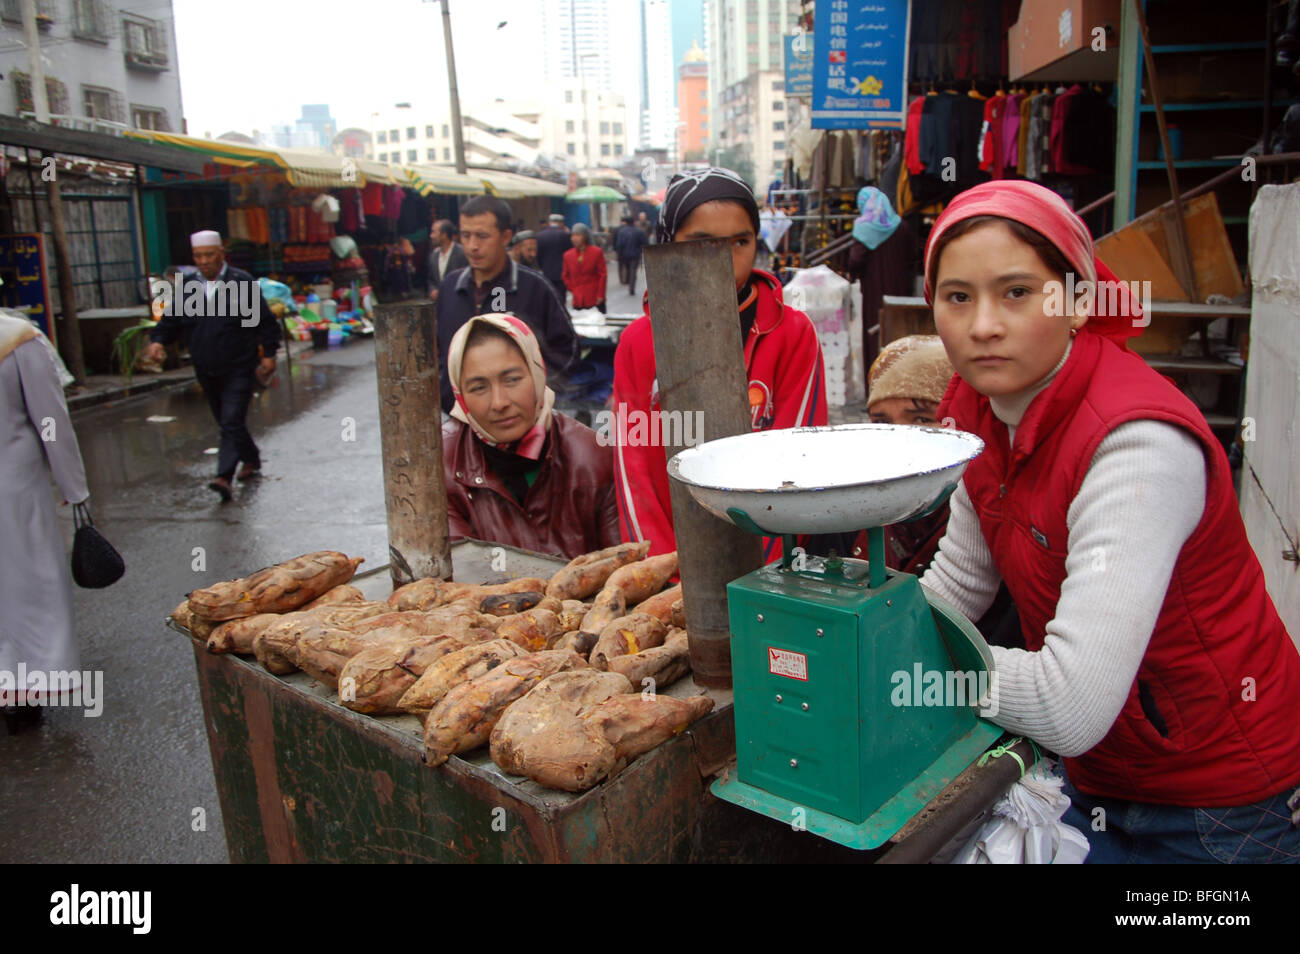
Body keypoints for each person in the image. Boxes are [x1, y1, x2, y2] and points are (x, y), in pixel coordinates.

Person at [918, 179, 1300, 863]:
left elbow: (1069, 703)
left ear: (1078, 302)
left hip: (1221, 801)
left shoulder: (1136, 445)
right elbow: (960, 580)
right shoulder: (979, 406)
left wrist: (905, 672)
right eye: (957, 297)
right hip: (1099, 774)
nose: (982, 326)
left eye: (1016, 292)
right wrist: (859, 629)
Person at [612, 167, 828, 559]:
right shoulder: (639, 342)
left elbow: (800, 461)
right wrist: (663, 574)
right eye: (702, 242)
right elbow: (634, 468)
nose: (724, 260)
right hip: (669, 564)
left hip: (770, 563)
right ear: (667, 244)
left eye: (739, 242)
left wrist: (765, 573)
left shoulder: (792, 333)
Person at [442, 313, 619, 559]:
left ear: (537, 373)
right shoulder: (441, 467)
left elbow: (623, 566)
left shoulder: (594, 457)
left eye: (512, 380)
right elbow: (455, 576)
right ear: (459, 393)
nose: (499, 402)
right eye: (479, 387)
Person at [0, 312, 89, 733]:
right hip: (14, 486)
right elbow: (50, 420)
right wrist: (74, 489)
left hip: (13, 484)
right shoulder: (18, 339)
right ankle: (24, 686)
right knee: (28, 585)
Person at [145, 230, 279, 501]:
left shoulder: (241, 282)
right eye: (198, 256)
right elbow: (171, 320)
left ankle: (223, 476)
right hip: (206, 367)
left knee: (230, 420)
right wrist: (158, 341)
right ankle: (251, 458)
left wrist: (270, 354)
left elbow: (265, 323)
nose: (204, 261)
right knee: (227, 421)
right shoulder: (189, 286)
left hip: (239, 365)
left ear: (221, 253)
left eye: (209, 255)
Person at [436, 196, 578, 414]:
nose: (473, 246)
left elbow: (567, 349)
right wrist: (446, 394)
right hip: (460, 418)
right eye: (466, 236)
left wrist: (535, 394)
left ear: (506, 236)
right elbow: (437, 350)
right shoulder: (450, 287)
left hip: (518, 418)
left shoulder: (534, 288)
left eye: (482, 236)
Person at [561, 223, 607, 313]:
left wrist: (600, 294)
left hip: (594, 298)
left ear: (585, 237)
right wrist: (574, 289)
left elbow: (602, 274)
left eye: (578, 235)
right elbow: (565, 276)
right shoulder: (567, 255)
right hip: (578, 300)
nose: (575, 238)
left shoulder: (596, 252)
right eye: (573, 235)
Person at [426, 219, 469, 302]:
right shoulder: (433, 256)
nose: (431, 236)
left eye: (434, 232)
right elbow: (431, 280)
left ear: (444, 235)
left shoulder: (462, 253)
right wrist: (432, 290)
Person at [534, 213, 572, 302]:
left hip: (546, 272)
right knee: (561, 299)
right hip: (561, 273)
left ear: (550, 222)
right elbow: (570, 254)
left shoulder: (540, 236)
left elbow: (538, 255)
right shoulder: (565, 235)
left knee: (549, 297)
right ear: (561, 223)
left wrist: (542, 266)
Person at [613, 215, 648, 296]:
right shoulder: (639, 232)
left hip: (625, 255)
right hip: (635, 255)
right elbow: (645, 243)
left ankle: (630, 285)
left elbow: (619, 245)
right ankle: (631, 287)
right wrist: (640, 250)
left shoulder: (622, 232)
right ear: (634, 222)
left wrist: (620, 254)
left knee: (629, 269)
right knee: (633, 270)